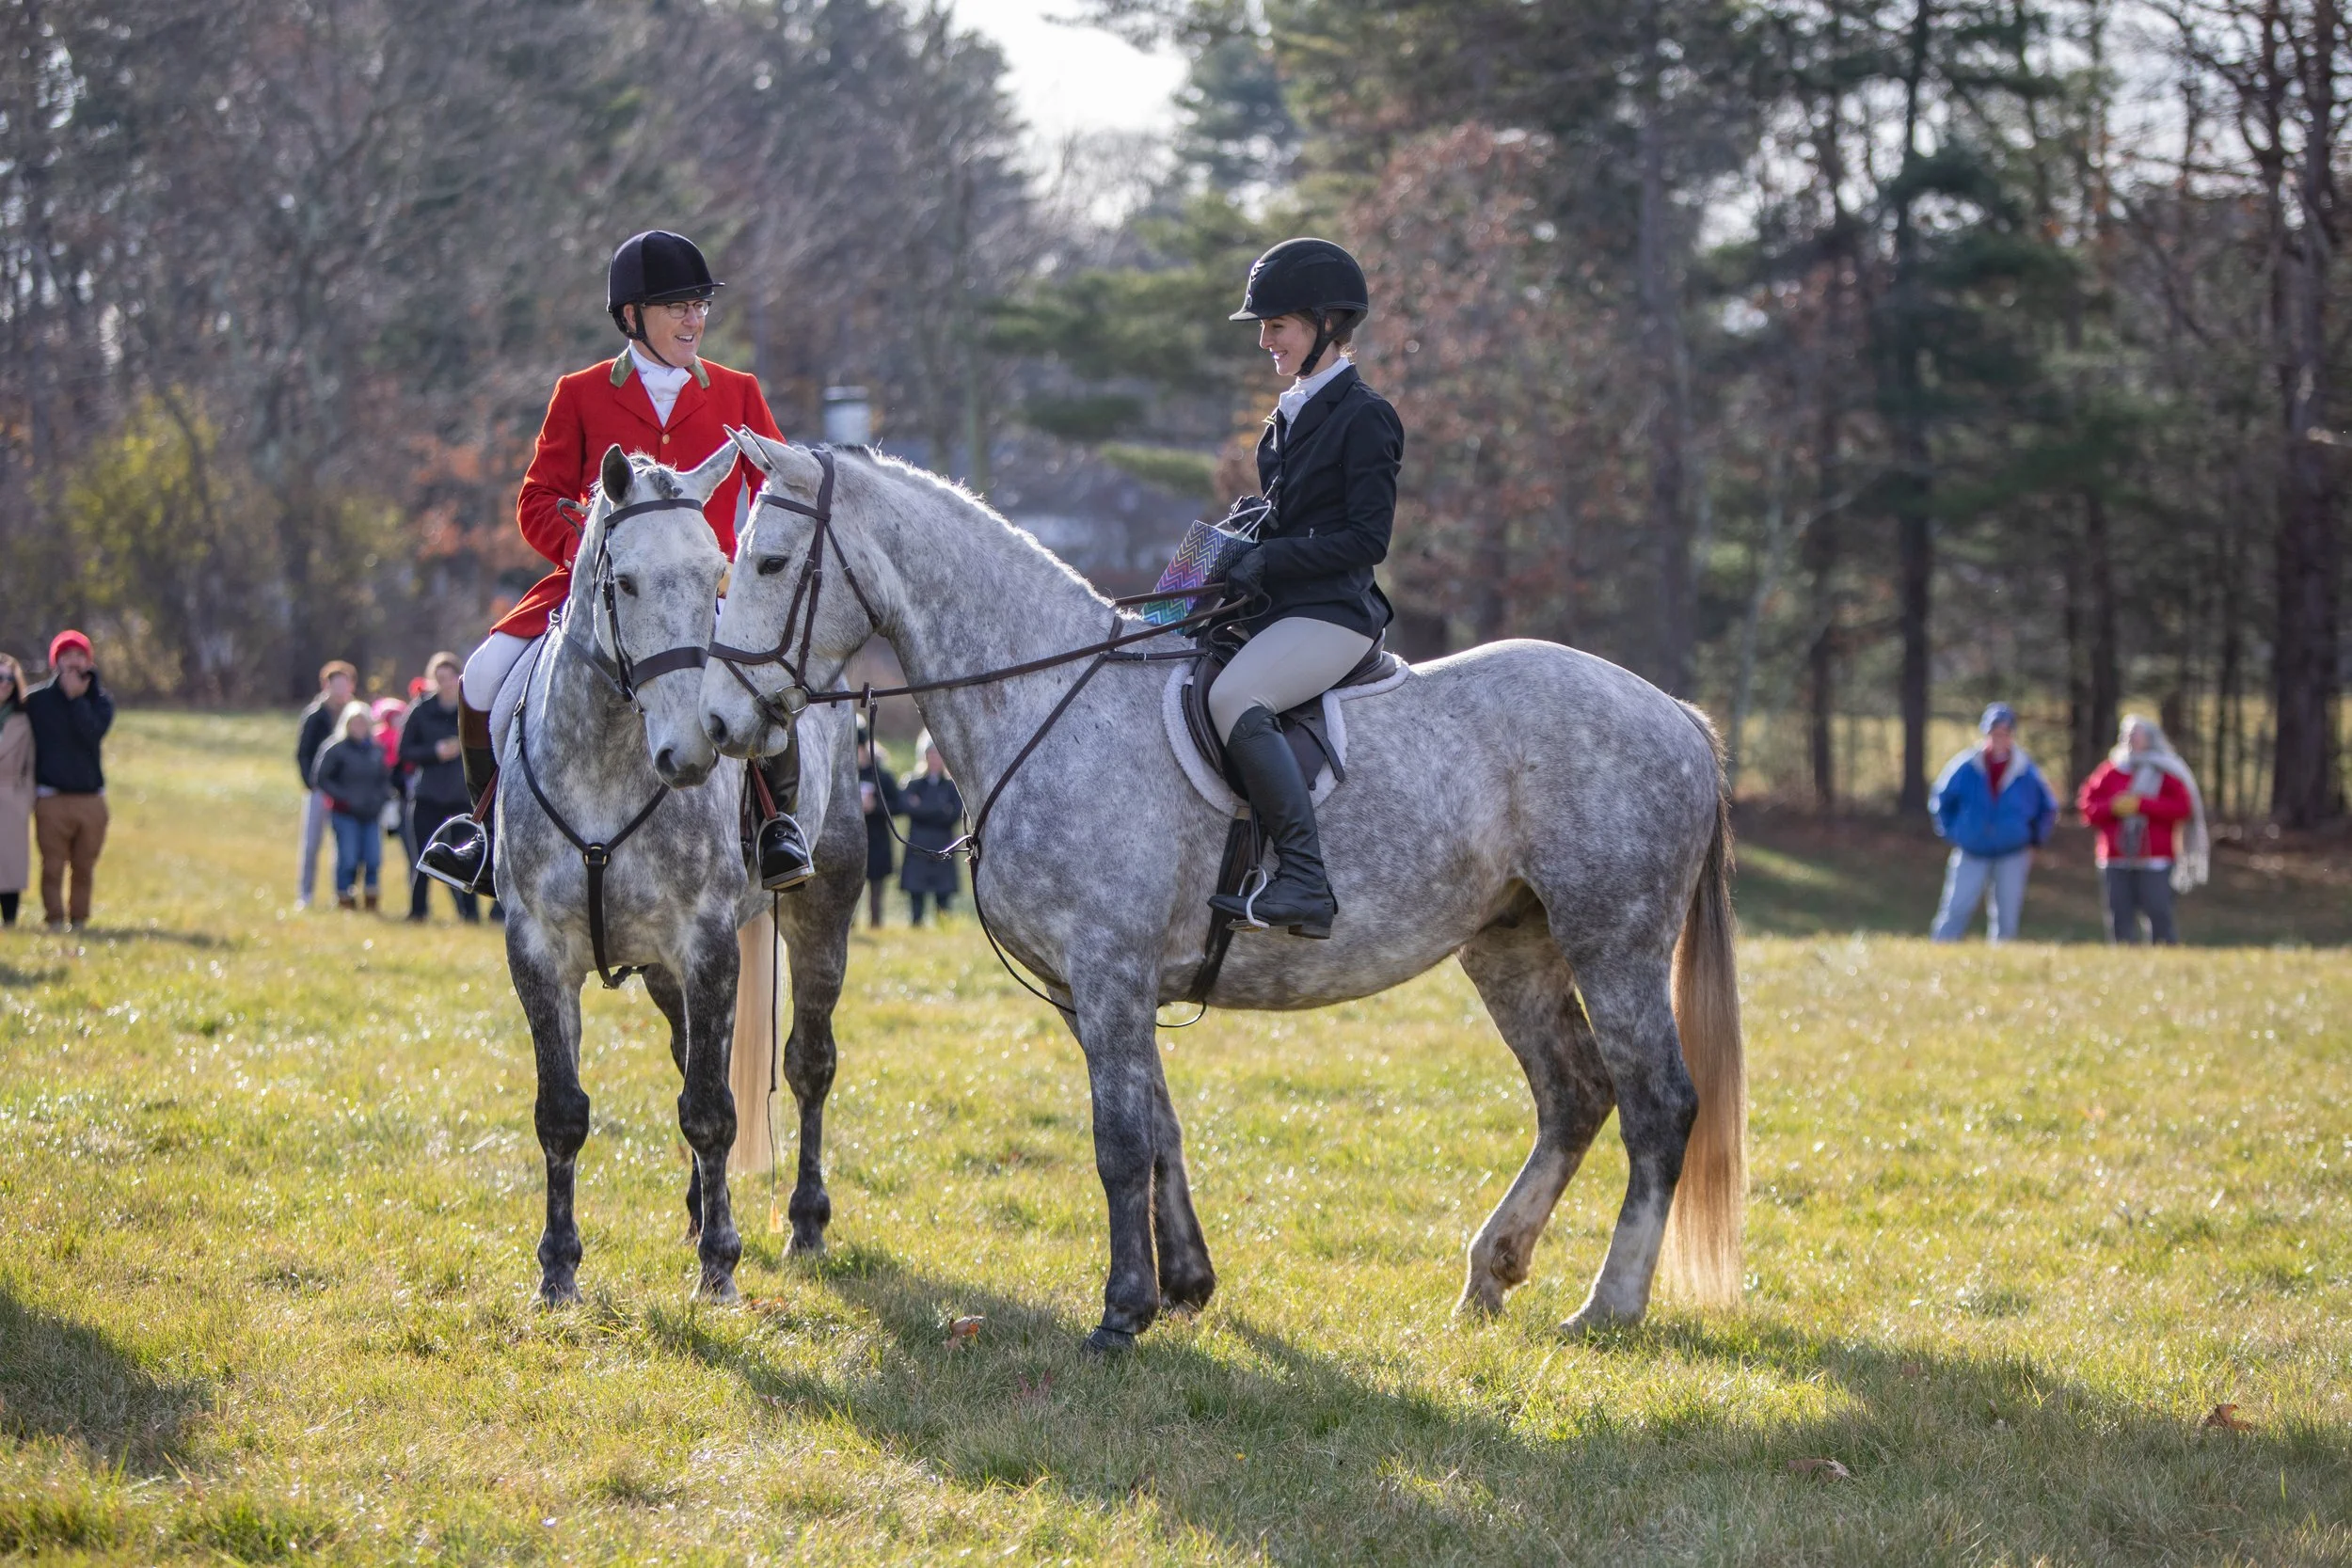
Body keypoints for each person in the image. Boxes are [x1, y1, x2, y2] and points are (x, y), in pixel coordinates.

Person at [416, 230, 808, 896]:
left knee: (764, 682)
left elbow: (781, 490)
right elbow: (537, 500)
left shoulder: (738, 392)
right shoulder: (580, 393)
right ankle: (482, 832)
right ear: (632, 316)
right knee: (480, 678)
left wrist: (749, 570)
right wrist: (593, 557)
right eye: (678, 306)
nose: (694, 319)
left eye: (700, 305)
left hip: (704, 590)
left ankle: (775, 825)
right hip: (599, 589)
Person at [1202, 238, 1402, 941]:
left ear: (1325, 323)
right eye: (1265, 327)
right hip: (1279, 610)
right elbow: (1284, 515)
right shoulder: (1288, 413)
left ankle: (1305, 880)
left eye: (1277, 325)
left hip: (1333, 613)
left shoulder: (1365, 415)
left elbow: (1366, 540)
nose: (1265, 341)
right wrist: (1229, 547)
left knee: (1234, 697)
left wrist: (1273, 557)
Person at [1929, 702, 2058, 943]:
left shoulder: (2025, 769)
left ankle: (2002, 955)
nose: (1999, 738)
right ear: (1985, 733)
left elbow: (2047, 807)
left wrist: (2035, 840)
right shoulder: (1966, 766)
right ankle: (1941, 947)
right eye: (1994, 733)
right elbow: (1941, 800)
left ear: (2012, 735)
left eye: (2004, 733)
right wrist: (1955, 833)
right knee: (1956, 906)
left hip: (2012, 851)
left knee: (2007, 914)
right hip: (1972, 850)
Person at [2077, 714, 2208, 944]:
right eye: (2127, 735)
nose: (2131, 739)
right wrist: (2112, 807)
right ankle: (2123, 952)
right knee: (2119, 911)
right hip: (2115, 856)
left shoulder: (2167, 770)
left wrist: (2143, 805)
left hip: (2155, 857)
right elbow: (2088, 808)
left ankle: (2164, 950)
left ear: (2151, 738)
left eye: (2136, 735)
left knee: (2158, 910)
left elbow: (2183, 808)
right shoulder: (2111, 770)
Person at [24, 629, 115, 931]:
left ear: (88, 661)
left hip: (91, 799)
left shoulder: (100, 701)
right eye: (67, 656)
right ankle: (53, 920)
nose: (74, 661)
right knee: (52, 866)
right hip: (51, 798)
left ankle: (79, 921)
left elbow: (92, 734)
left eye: (80, 655)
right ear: (56, 662)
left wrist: (77, 700)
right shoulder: (36, 701)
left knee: (84, 866)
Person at [400, 653, 479, 923]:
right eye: (439, 678)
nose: (445, 684)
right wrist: (435, 752)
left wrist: (462, 748)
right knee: (422, 856)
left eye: (449, 678)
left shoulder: (470, 707)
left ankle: (470, 914)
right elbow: (404, 751)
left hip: (461, 795)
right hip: (428, 795)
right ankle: (418, 912)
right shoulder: (421, 710)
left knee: (464, 857)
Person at [313, 701, 392, 911]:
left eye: (363, 723)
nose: (359, 727)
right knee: (348, 858)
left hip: (371, 813)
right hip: (345, 813)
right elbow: (322, 778)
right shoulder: (336, 749)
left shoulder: (376, 750)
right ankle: (345, 899)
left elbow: (384, 780)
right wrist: (344, 798)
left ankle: (371, 900)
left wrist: (381, 799)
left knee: (373, 858)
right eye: (355, 723)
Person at [294, 660, 358, 909]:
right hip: (319, 790)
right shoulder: (315, 715)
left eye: (345, 684)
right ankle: (305, 895)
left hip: (346, 791)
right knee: (311, 844)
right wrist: (311, 784)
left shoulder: (355, 714)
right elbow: (303, 753)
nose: (341, 689)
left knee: (345, 846)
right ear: (326, 686)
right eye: (336, 684)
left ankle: (342, 895)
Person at [899, 733, 963, 926]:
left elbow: (954, 815)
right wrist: (940, 809)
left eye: (938, 755)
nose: (935, 759)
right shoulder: (913, 784)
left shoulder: (952, 787)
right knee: (916, 897)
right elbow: (907, 808)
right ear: (924, 757)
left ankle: (943, 931)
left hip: (943, 846)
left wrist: (922, 807)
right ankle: (916, 928)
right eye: (931, 755)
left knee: (943, 900)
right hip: (918, 846)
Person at [857, 722, 904, 928]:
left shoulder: (882, 776)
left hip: (877, 838)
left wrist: (875, 807)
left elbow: (898, 805)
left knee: (876, 889)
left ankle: (876, 925)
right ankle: (851, 925)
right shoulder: (845, 775)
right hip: (853, 838)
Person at [0, 655, 30, 927]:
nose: (5, 684)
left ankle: (10, 921)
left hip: (11, 798)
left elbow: (31, 765)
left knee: (10, 863)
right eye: (0, 678)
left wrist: (25, 802)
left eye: (10, 679)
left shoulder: (22, 719)